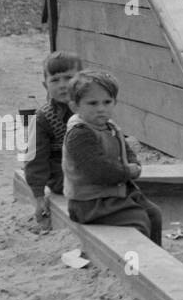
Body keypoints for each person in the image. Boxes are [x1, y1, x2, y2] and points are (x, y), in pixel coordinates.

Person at [61, 70, 163, 245]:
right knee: (138, 221)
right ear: (75, 106)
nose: (101, 108)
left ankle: (157, 255)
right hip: (89, 203)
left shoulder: (108, 126)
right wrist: (128, 172)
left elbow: (125, 148)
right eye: (92, 103)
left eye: (107, 102)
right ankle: (137, 263)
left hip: (112, 193)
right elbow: (99, 171)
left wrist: (134, 163)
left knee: (153, 213)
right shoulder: (80, 134)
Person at [21, 50, 83, 234]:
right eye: (55, 80)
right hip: (62, 175)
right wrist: (39, 197)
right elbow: (35, 159)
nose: (63, 86)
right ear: (45, 85)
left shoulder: (89, 106)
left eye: (69, 78)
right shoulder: (44, 118)